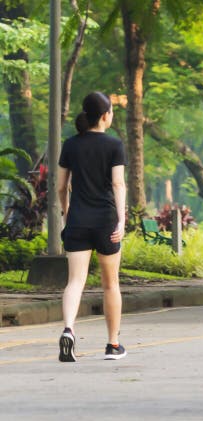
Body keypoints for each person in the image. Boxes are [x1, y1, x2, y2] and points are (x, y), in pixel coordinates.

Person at [56, 92, 127, 362]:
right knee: (110, 284)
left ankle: (68, 330)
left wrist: (66, 214)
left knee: (75, 281)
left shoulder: (71, 145)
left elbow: (62, 187)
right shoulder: (114, 145)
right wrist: (120, 220)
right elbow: (118, 184)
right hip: (106, 222)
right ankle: (113, 345)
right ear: (105, 115)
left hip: (77, 221)